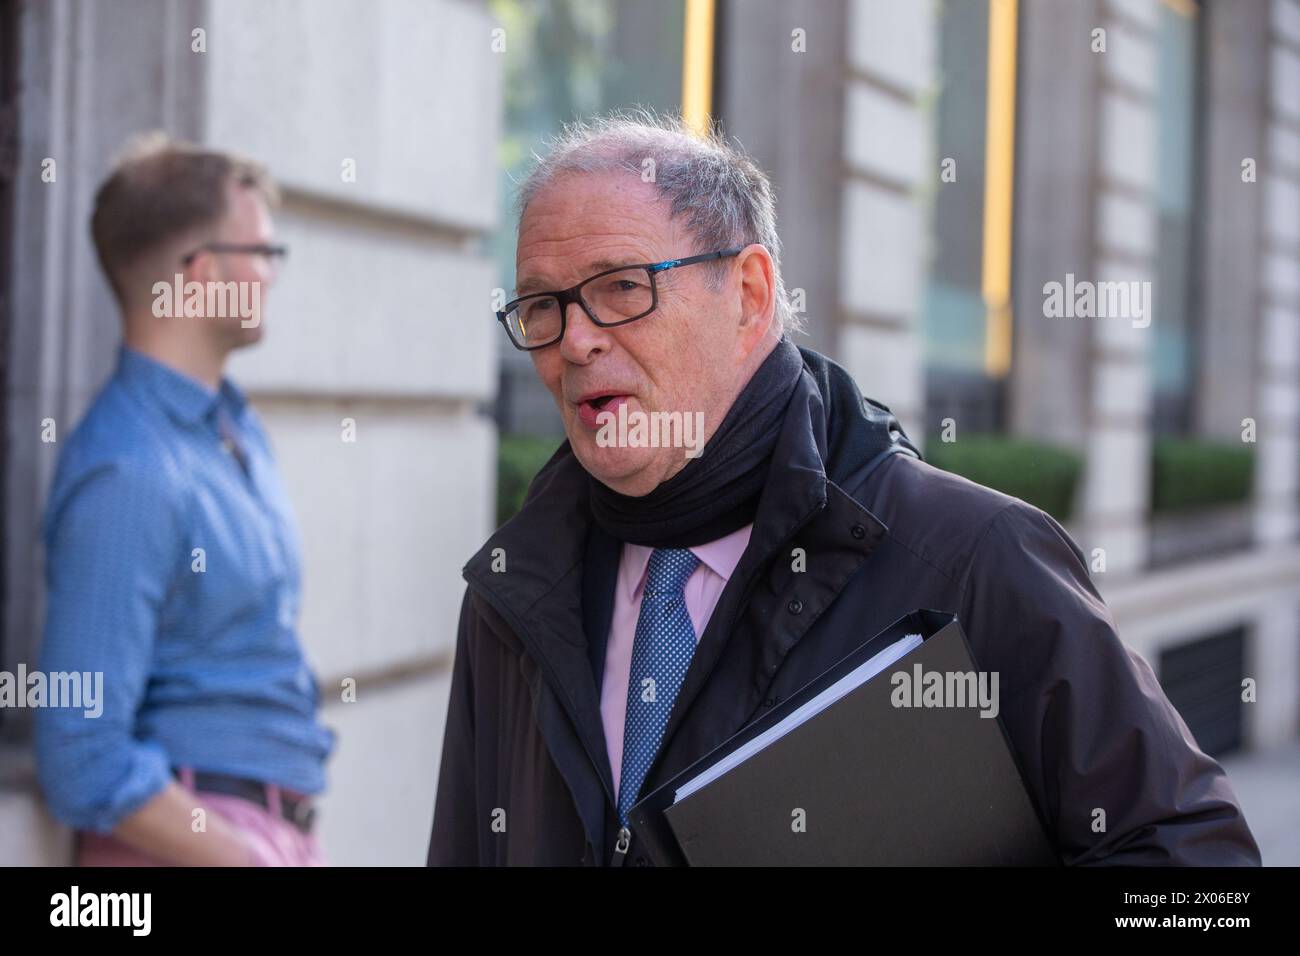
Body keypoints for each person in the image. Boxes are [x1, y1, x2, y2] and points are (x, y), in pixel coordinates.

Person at [426, 112, 1260, 867]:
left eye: (619, 289)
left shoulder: (972, 560)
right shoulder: (511, 594)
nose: (573, 341)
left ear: (750, 295)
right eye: (542, 306)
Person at [35, 133, 334, 866]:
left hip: (267, 828)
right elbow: (81, 750)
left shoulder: (231, 426)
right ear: (202, 273)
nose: (273, 274)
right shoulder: (128, 469)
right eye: (262, 254)